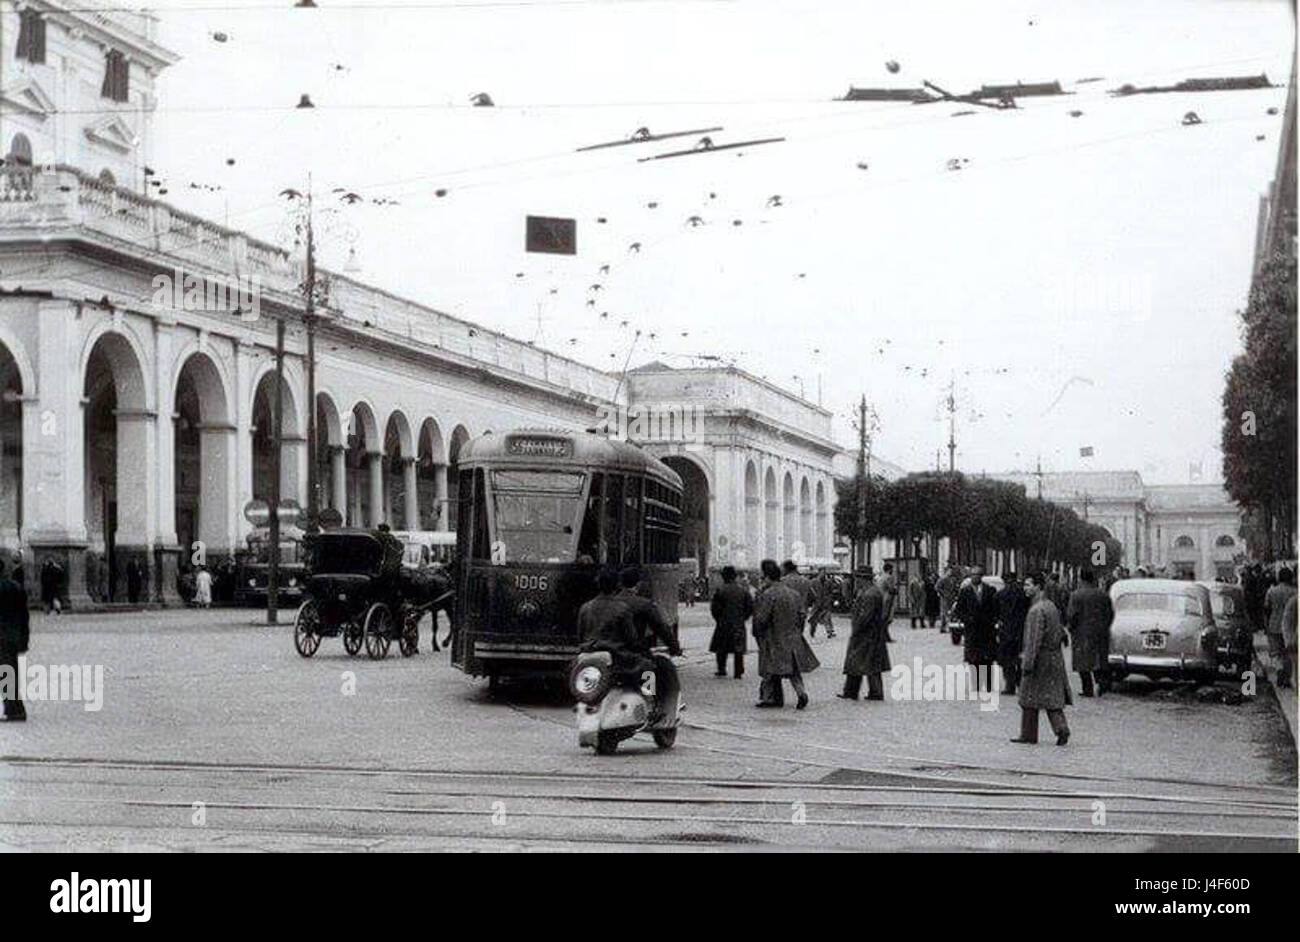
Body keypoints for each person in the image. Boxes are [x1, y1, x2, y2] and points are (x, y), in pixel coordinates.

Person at [1012, 571, 1071, 746]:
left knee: (1028, 697)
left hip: (1040, 660)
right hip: (1054, 657)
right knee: (1052, 698)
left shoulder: (1035, 611)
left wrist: (1027, 663)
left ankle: (1028, 734)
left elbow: (1033, 640)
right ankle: (1061, 728)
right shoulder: (1051, 606)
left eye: (1028, 585)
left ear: (1038, 586)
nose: (1025, 588)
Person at [753, 559, 818, 709]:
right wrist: (798, 630)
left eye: (763, 578)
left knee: (769, 668)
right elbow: (802, 614)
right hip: (793, 636)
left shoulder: (768, 594)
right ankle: (801, 693)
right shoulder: (793, 594)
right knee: (793, 671)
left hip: (774, 637)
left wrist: (759, 633)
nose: (763, 580)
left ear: (769, 577)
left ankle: (769, 698)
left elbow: (762, 618)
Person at [839, 566, 889, 701]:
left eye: (857, 578)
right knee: (869, 663)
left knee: (860, 662)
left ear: (862, 579)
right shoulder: (871, 591)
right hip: (871, 634)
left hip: (866, 635)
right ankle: (868, 691)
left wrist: (856, 629)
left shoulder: (869, 594)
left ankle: (854, 692)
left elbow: (864, 616)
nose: (856, 581)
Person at [1066, 568, 1115, 697]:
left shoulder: (1076, 595)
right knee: (1098, 660)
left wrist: (1071, 628)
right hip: (1100, 633)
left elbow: (1072, 615)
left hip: (1082, 633)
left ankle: (1087, 688)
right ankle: (1102, 684)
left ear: (1081, 579)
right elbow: (1110, 614)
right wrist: (1105, 627)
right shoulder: (1103, 595)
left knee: (1083, 662)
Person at [955, 567, 998, 691]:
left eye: (977, 575)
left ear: (981, 576)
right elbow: (959, 610)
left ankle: (989, 685)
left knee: (988, 660)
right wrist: (967, 619)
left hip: (987, 631)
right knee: (974, 659)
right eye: (973, 575)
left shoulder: (990, 590)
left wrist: (992, 620)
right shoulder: (965, 591)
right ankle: (976, 685)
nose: (975, 577)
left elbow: (995, 608)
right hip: (972, 631)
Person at [709, 565, 752, 678]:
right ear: (735, 577)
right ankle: (738, 671)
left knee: (721, 648)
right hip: (738, 623)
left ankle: (721, 669)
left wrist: (719, 619)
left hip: (723, 623)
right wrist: (743, 618)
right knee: (738, 649)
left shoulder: (720, 591)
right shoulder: (743, 591)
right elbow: (749, 608)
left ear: (724, 577)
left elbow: (714, 609)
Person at [0, 559, 30, 722]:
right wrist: (24, 639)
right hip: (13, 636)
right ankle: (16, 707)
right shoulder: (16, 587)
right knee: (9, 672)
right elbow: (24, 617)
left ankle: (14, 710)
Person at [995, 571, 1029, 695]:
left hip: (1006, 631)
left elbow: (996, 613)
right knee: (1020, 658)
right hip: (1021, 630)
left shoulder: (1000, 594)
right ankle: (1021, 684)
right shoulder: (1024, 594)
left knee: (1007, 660)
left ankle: (1010, 685)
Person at [1264, 568, 1297, 689]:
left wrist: (1266, 625)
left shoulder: (1271, 591)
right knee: (1288, 653)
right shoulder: (1295, 592)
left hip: (1274, 625)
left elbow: (1266, 609)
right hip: (1290, 628)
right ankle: (1287, 678)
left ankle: (1279, 672)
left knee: (1276, 653)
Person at [780, 560, 813, 634]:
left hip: (786, 613)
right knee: (798, 636)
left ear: (786, 569)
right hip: (801, 613)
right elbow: (812, 596)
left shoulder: (782, 581)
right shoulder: (806, 581)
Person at [807, 572, 836, 638]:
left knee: (827, 618)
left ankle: (830, 631)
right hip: (817, 603)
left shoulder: (828, 582)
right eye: (822, 574)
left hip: (826, 603)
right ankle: (812, 631)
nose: (823, 576)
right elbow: (810, 591)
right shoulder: (813, 582)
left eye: (824, 574)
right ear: (818, 574)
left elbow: (832, 591)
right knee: (814, 619)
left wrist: (830, 598)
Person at [936, 565, 959, 636]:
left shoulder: (953, 579)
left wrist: (956, 595)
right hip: (944, 598)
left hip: (951, 598)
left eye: (951, 571)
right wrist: (943, 594)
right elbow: (937, 587)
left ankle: (949, 626)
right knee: (944, 613)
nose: (950, 572)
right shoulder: (942, 579)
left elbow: (955, 588)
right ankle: (944, 627)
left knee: (951, 612)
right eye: (949, 571)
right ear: (946, 571)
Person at [880, 562, 899, 642]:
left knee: (884, 618)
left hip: (882, 598)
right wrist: (895, 589)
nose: (893, 571)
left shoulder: (881, 577)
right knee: (887, 618)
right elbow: (891, 588)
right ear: (889, 569)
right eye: (892, 569)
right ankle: (885, 636)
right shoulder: (889, 577)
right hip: (888, 599)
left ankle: (885, 636)